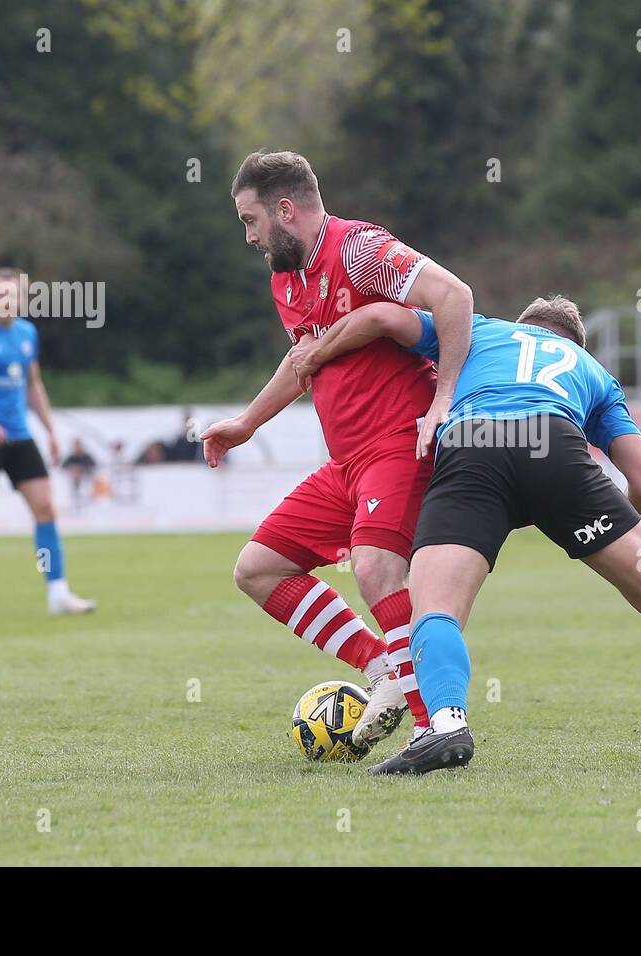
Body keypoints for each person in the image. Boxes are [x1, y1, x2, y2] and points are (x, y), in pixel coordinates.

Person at [293, 295, 641, 775]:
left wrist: (313, 353)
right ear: (574, 343)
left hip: (474, 443)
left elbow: (385, 316)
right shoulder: (594, 371)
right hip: (556, 449)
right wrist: (583, 521)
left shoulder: (480, 328)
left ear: (522, 323)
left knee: (435, 608)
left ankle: (448, 723)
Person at [200, 150, 474, 749]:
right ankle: (385, 670)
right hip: (345, 463)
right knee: (258, 568)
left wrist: (444, 397)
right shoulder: (285, 278)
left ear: (286, 209)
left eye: (251, 221)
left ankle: (437, 728)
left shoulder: (359, 251)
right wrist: (247, 423)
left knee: (374, 566)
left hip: (399, 443)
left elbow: (454, 297)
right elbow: (304, 361)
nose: (248, 236)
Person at [0, 267, 96, 617]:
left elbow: (33, 386)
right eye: (0, 294)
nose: (7, 301)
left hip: (20, 438)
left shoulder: (27, 333)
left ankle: (57, 591)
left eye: (14, 295)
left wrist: (50, 430)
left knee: (45, 508)